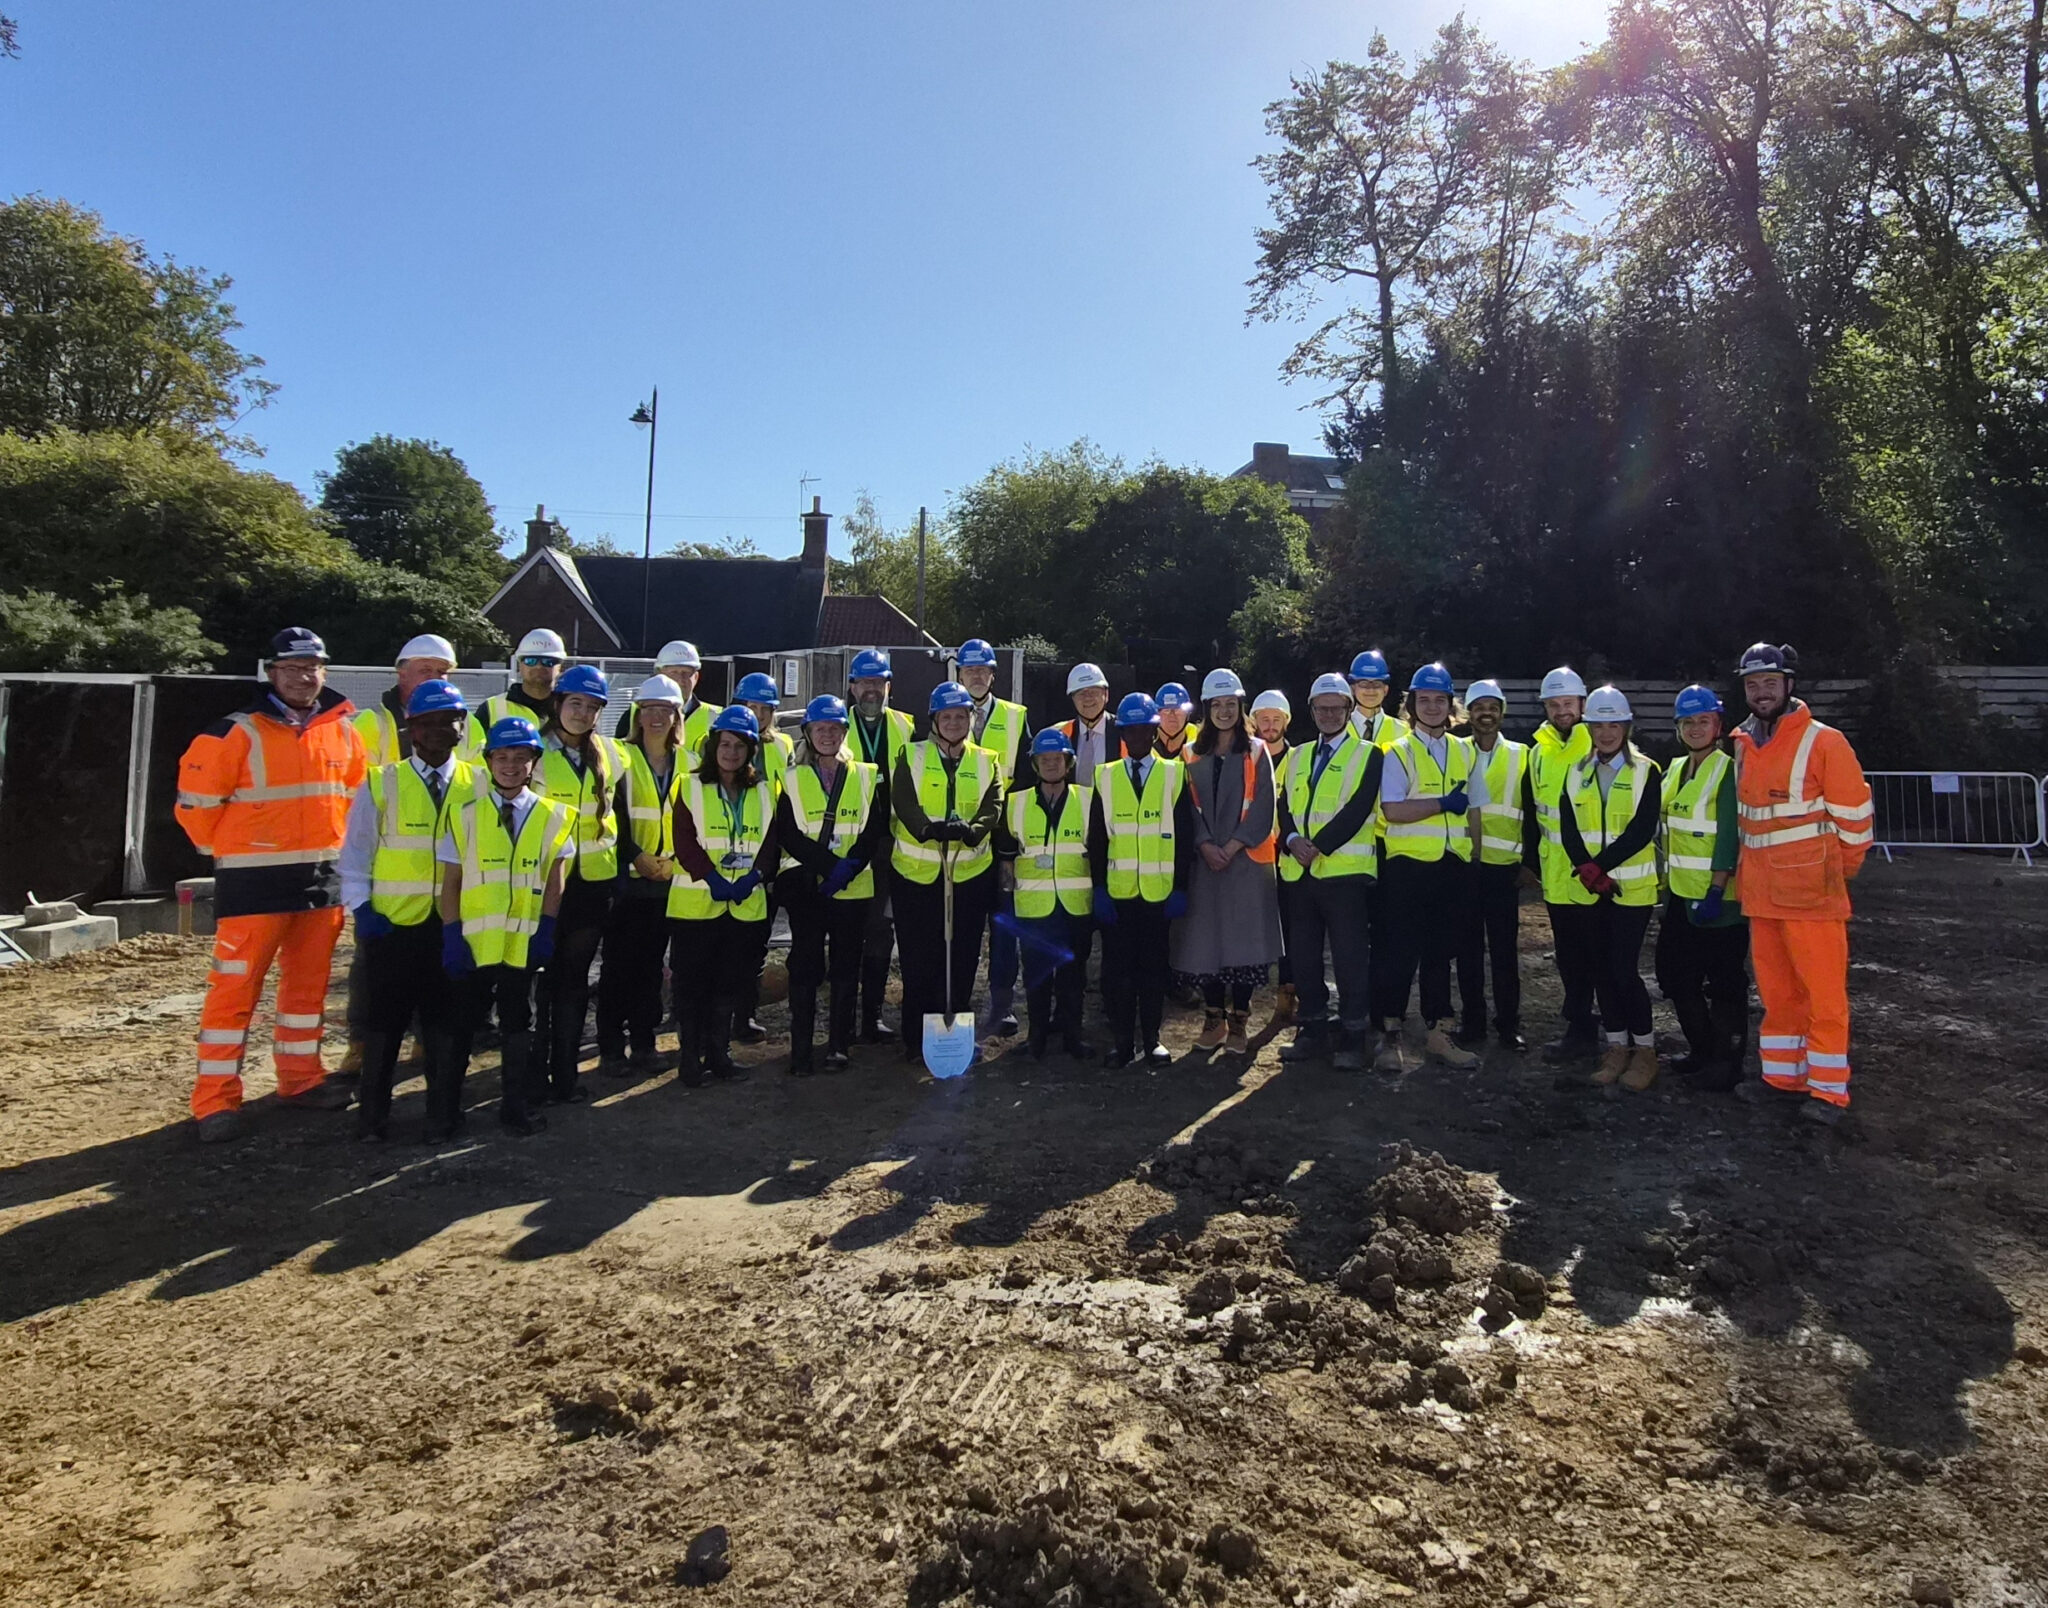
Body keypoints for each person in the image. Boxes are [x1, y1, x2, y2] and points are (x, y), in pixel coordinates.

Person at [176, 627, 366, 1142]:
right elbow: (195, 810)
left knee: (307, 990)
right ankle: (215, 1101)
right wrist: (243, 851)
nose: (305, 677)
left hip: (321, 882)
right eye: (293, 669)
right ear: (271, 673)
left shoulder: (344, 729)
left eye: (313, 667)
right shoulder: (234, 733)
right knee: (234, 991)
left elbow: (357, 800)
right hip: (253, 885)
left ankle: (301, 1081)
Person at [1729, 643, 1873, 1125]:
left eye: (1770, 682)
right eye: (1752, 684)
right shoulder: (1743, 742)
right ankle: (1782, 1079)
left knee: (1823, 996)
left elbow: (1855, 821)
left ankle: (1828, 1090)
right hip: (1763, 895)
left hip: (1812, 896)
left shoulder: (1824, 742)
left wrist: (1834, 874)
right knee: (1777, 994)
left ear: (1789, 684)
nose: (1761, 691)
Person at [338, 678, 473, 1142]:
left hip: (456, 929)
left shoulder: (480, 785)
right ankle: (371, 1117)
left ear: (463, 727)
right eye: (428, 723)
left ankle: (443, 1115)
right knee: (383, 1027)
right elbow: (355, 858)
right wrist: (363, 911)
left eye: (448, 722)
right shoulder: (381, 783)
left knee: (447, 1027)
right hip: (392, 929)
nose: (438, 731)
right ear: (411, 730)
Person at [437, 716, 575, 1136]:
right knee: (459, 1027)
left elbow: (555, 877)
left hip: (522, 943)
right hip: (474, 944)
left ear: (534, 762)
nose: (511, 765)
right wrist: (450, 934)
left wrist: (547, 928)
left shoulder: (554, 816)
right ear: (489, 761)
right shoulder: (464, 815)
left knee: (519, 1026)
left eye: (520, 757)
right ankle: (445, 1113)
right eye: (502, 757)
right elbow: (453, 879)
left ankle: (515, 1107)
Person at [1374, 663, 1482, 1073]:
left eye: (1440, 700)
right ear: (1412, 705)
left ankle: (1439, 1033)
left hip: (1451, 868)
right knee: (1400, 953)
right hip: (1408, 868)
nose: (1433, 707)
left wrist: (1472, 859)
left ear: (1450, 704)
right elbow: (1394, 810)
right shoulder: (1398, 752)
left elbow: (1474, 810)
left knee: (1440, 954)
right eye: (1425, 700)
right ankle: (1390, 1035)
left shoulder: (1465, 750)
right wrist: (1440, 804)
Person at [1554, 686, 1664, 1090]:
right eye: (1597, 725)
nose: (1605, 733)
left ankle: (1645, 1050)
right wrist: (1587, 869)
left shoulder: (1645, 771)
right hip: (1591, 887)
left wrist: (1599, 867)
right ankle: (1616, 1046)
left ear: (1626, 726)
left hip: (1630, 890)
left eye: (1613, 724)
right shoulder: (1576, 771)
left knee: (1623, 969)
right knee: (1599, 968)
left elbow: (1641, 829)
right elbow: (1567, 826)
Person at [891, 682, 1004, 1066]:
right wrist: (925, 828)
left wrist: (976, 831)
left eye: (961, 716)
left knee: (963, 956)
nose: (954, 723)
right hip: (918, 877)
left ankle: (955, 1028)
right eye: (947, 717)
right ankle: (915, 1036)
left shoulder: (987, 759)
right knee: (919, 957)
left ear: (970, 719)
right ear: (934, 721)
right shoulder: (912, 754)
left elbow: (995, 801)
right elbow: (903, 799)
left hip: (969, 876)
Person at [1276, 673, 1386, 1069]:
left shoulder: (1369, 754)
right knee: (1304, 958)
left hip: (1344, 876)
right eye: (1320, 708)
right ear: (1311, 710)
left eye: (1335, 708)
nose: (1327, 714)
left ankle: (1354, 1036)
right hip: (1299, 874)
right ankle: (1313, 1029)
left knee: (1349, 958)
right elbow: (1284, 805)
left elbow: (1358, 809)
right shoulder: (1297, 755)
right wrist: (1291, 841)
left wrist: (1317, 845)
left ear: (1349, 710)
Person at [667, 706, 781, 1085]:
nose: (731, 752)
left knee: (728, 984)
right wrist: (712, 877)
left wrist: (757, 875)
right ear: (713, 745)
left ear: (751, 751)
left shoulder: (765, 790)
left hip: (745, 905)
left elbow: (770, 841)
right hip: (697, 904)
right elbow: (683, 840)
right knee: (692, 985)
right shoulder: (688, 784)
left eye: (740, 746)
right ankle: (689, 1059)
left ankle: (720, 1054)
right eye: (725, 744)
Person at [1172, 669, 1283, 1055]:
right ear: (1206, 708)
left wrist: (1233, 845)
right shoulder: (1190, 754)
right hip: (1206, 864)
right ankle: (1214, 1018)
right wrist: (1204, 845)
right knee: (1207, 946)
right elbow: (1186, 809)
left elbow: (1264, 804)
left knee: (1244, 948)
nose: (1223, 711)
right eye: (1216, 705)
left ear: (1240, 707)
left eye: (1230, 705)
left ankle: (1239, 1021)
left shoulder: (1256, 750)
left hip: (1245, 863)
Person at [775, 694, 887, 1074]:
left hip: (852, 890)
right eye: (819, 728)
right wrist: (828, 867)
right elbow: (788, 833)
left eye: (834, 728)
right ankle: (802, 1049)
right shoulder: (789, 778)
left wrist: (849, 867)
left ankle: (840, 1044)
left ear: (844, 731)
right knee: (804, 968)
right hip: (807, 890)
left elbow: (875, 828)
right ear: (807, 732)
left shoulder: (868, 775)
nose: (827, 734)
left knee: (845, 968)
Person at [530, 663, 622, 1104]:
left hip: (591, 885)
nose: (582, 713)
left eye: (591, 707)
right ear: (558, 704)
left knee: (574, 981)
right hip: (543, 884)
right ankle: (533, 1075)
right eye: (575, 704)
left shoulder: (606, 753)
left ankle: (564, 1076)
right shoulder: (533, 750)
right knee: (540, 981)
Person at [1089, 694, 1197, 1067]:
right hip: (1118, 895)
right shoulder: (1105, 776)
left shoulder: (1174, 774)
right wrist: (1099, 888)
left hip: (1158, 894)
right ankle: (1122, 1041)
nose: (1137, 737)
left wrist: (1181, 887)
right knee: (1117, 973)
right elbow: (1098, 838)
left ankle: (1152, 1039)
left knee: (1154, 971)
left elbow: (1184, 836)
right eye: (1129, 731)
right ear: (1122, 735)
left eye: (1144, 730)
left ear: (1154, 733)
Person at [1655, 683, 1748, 1091]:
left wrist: (1716, 888)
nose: (1695, 729)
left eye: (1703, 721)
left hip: (1719, 899)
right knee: (1675, 976)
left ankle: (1727, 1062)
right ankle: (1702, 1048)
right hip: (1679, 893)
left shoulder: (1727, 770)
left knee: (1725, 982)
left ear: (1718, 725)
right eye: (1687, 722)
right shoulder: (1675, 770)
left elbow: (1729, 831)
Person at [596, 673, 686, 1079]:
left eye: (664, 710)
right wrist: (635, 856)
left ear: (676, 715)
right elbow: (607, 814)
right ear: (637, 714)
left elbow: (692, 817)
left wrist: (673, 860)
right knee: (618, 968)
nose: (656, 717)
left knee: (652, 967)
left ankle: (645, 1044)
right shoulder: (618, 756)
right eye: (648, 709)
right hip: (628, 881)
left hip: (670, 880)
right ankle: (612, 1048)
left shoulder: (689, 761)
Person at [997, 728, 1095, 1060]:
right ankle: (1036, 1036)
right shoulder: (1015, 803)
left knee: (1072, 977)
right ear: (1035, 765)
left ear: (1068, 763)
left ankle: (1072, 1036)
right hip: (1033, 908)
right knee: (1036, 977)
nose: (1051, 764)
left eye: (1058, 759)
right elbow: (1006, 855)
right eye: (1045, 759)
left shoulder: (1088, 800)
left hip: (1075, 907)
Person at [958, 636, 1030, 1036]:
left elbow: (1028, 777)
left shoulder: (1016, 717)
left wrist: (1013, 834)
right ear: (960, 674)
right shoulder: (946, 712)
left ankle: (1001, 1005)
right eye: (969, 670)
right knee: (965, 927)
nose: (976, 676)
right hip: (961, 840)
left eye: (982, 670)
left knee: (1005, 925)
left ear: (993, 675)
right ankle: (959, 1000)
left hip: (1003, 841)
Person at [845, 648, 918, 1044]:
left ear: (889, 686)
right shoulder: (834, 726)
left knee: (880, 930)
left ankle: (871, 1016)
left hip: (893, 846)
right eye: (865, 682)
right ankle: (843, 1015)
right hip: (848, 845)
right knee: (844, 931)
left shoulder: (907, 727)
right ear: (852, 687)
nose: (872, 690)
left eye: (879, 682)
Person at [1527, 666, 1600, 1062]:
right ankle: (1580, 1029)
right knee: (1569, 958)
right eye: (1554, 705)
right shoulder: (1539, 751)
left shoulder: (1599, 744)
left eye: (1567, 704)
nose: (1561, 711)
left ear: (1582, 704)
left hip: (1593, 873)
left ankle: (1608, 1031)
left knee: (1597, 956)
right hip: (1556, 874)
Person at [1457, 680, 1530, 1051]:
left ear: (1502, 712)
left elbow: (1533, 813)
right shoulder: (1455, 753)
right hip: (1465, 867)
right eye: (1479, 707)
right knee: (1467, 951)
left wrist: (1528, 863)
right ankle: (1472, 1023)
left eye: (1493, 707)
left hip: (1504, 868)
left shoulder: (1523, 755)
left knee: (1504, 952)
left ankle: (1508, 1025)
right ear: (1468, 713)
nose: (1486, 713)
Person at [1250, 688, 1299, 1029]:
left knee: (1292, 932)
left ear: (1286, 722)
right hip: (1252, 860)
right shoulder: (1245, 760)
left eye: (1275, 720)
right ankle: (1242, 1002)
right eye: (1264, 720)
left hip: (1289, 860)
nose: (1269, 726)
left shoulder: (1300, 760)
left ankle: (1287, 996)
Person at [615, 640, 713, 755]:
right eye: (674, 673)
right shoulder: (633, 715)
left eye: (686, 673)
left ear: (696, 677)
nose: (681, 680)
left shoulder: (715, 717)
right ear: (659, 676)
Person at [475, 628, 566, 746]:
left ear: (560, 667)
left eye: (548, 661)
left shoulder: (569, 708)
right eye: (530, 660)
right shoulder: (490, 709)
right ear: (520, 665)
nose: (538, 666)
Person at [1058, 663, 1117, 787]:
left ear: (1106, 695)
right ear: (1073, 698)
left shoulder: (1124, 732)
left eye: (1093, 692)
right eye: (1081, 694)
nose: (1088, 698)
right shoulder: (1061, 735)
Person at [1346, 649, 1406, 748]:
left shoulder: (1403, 731)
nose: (1371, 689)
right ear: (1352, 688)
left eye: (1377, 684)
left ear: (1385, 690)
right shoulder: (1338, 730)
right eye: (1364, 683)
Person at [1155, 682, 1201, 762]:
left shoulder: (1201, 744)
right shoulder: (1141, 747)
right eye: (1166, 710)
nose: (1172, 715)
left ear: (1187, 714)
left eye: (1178, 710)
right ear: (1157, 714)